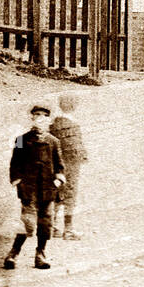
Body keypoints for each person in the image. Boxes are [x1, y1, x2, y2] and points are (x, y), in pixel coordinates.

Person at [5, 104, 65, 270]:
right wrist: (19, 182)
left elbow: (60, 166)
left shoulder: (54, 142)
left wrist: (58, 180)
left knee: (45, 223)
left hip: (47, 189)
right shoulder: (22, 140)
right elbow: (15, 165)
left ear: (48, 119)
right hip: (29, 189)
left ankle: (40, 254)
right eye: (36, 114)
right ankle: (13, 254)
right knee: (27, 222)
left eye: (43, 115)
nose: (39, 118)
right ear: (32, 118)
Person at [50, 97, 88, 240]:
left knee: (56, 194)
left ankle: (52, 227)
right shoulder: (73, 124)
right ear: (74, 106)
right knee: (70, 195)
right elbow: (77, 148)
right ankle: (68, 230)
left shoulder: (53, 124)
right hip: (71, 166)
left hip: (56, 165)